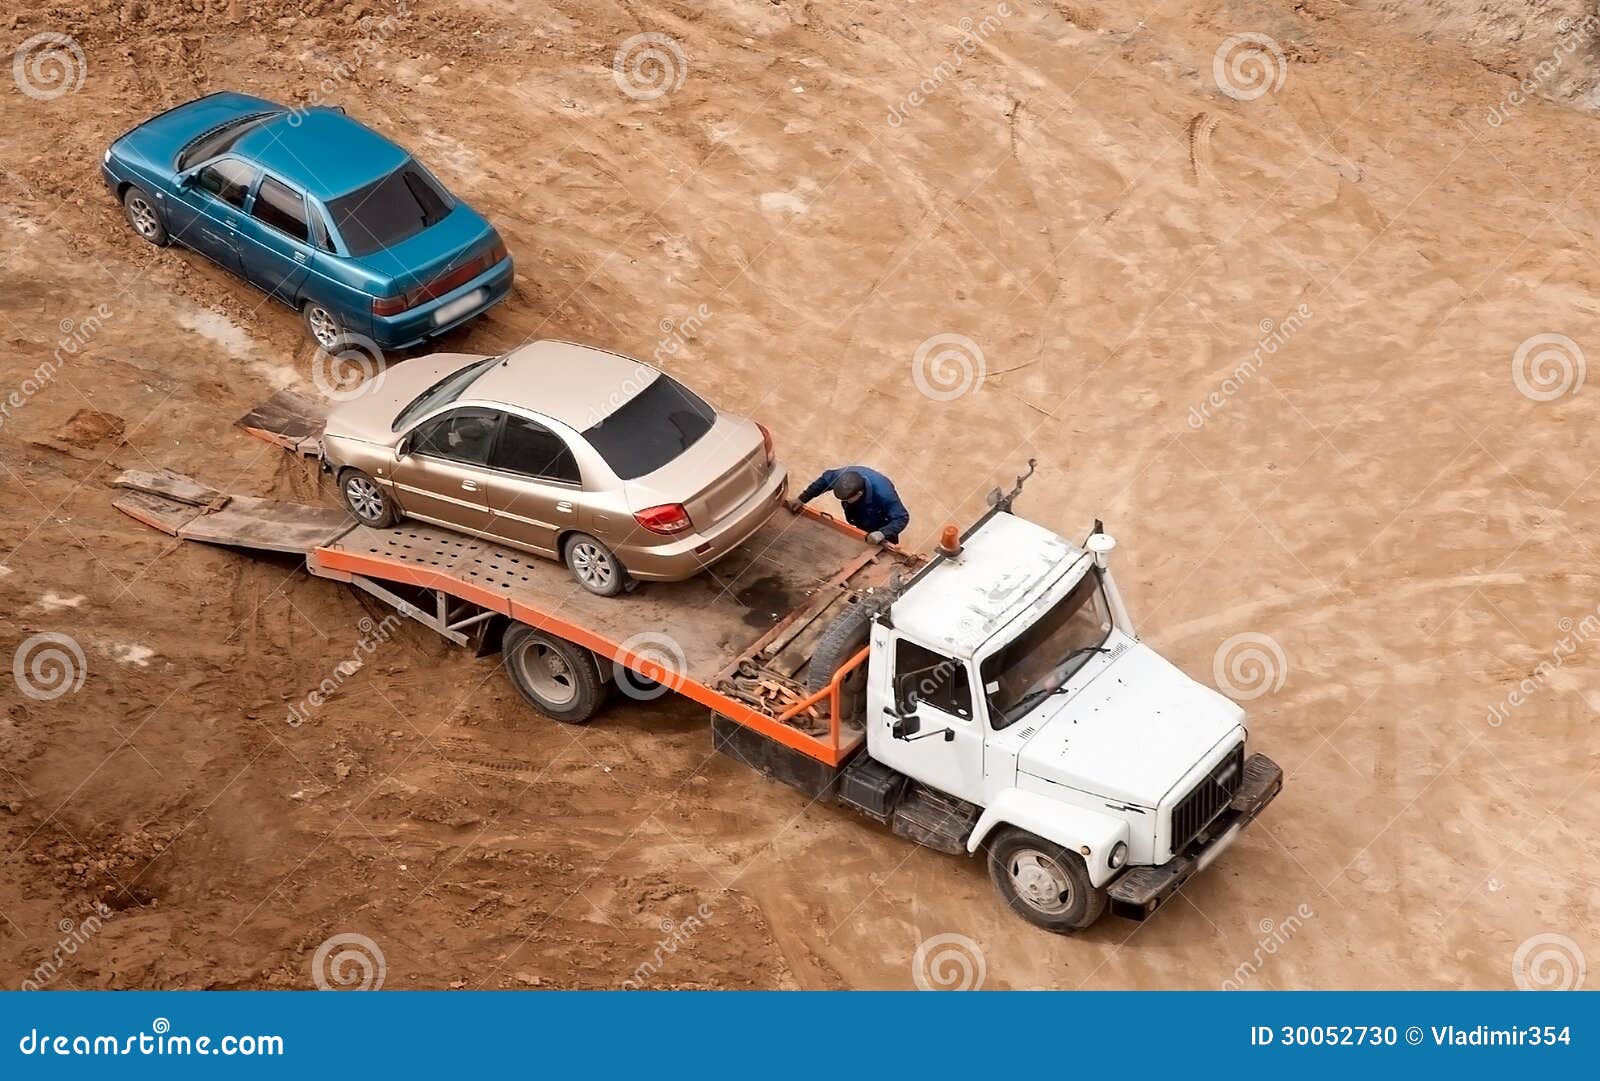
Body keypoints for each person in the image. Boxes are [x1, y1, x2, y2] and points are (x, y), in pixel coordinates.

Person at [793, 465, 909, 544]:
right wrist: (802, 499)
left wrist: (882, 534)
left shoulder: (884, 493)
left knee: (880, 540)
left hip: (879, 518)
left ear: (859, 493)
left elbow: (901, 517)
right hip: (859, 514)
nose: (846, 501)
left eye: (848, 498)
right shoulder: (840, 477)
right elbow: (823, 482)